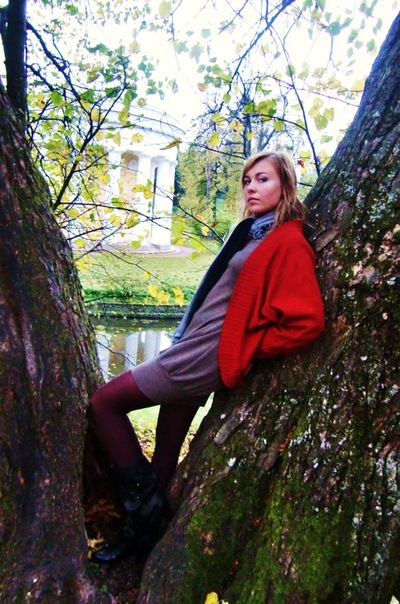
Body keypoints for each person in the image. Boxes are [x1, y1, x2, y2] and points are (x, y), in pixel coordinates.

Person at [89, 150, 325, 564]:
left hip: (201, 358)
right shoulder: (254, 232)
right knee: (165, 456)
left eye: (263, 179)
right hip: (192, 346)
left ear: (286, 184)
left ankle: (141, 506)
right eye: (247, 181)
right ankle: (144, 531)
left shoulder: (289, 241)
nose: (251, 188)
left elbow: (306, 322)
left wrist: (246, 346)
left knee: (104, 404)